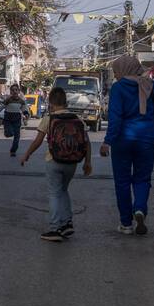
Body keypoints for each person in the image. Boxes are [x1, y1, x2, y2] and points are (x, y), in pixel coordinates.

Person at [100, 53, 154, 235]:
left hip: (123, 139)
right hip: (146, 137)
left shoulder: (118, 88)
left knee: (122, 181)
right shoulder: (151, 85)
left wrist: (107, 141)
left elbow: (115, 117)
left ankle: (126, 223)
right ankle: (139, 209)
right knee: (143, 178)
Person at [20, 87, 92, 241]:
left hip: (53, 160)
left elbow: (38, 141)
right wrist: (88, 162)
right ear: (65, 102)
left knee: (54, 193)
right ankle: (67, 224)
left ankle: (54, 229)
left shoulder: (49, 118)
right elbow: (87, 142)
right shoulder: (77, 118)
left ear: (51, 102)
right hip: (72, 162)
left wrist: (27, 154)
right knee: (63, 191)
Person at [1, 84, 28, 156]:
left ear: (18, 91)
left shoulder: (21, 101)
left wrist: (26, 116)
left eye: (16, 90)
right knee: (9, 133)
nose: (15, 91)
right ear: (11, 92)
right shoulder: (8, 100)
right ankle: (7, 133)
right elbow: (2, 107)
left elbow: (24, 109)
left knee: (17, 136)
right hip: (8, 119)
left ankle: (13, 151)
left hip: (17, 119)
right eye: (13, 90)